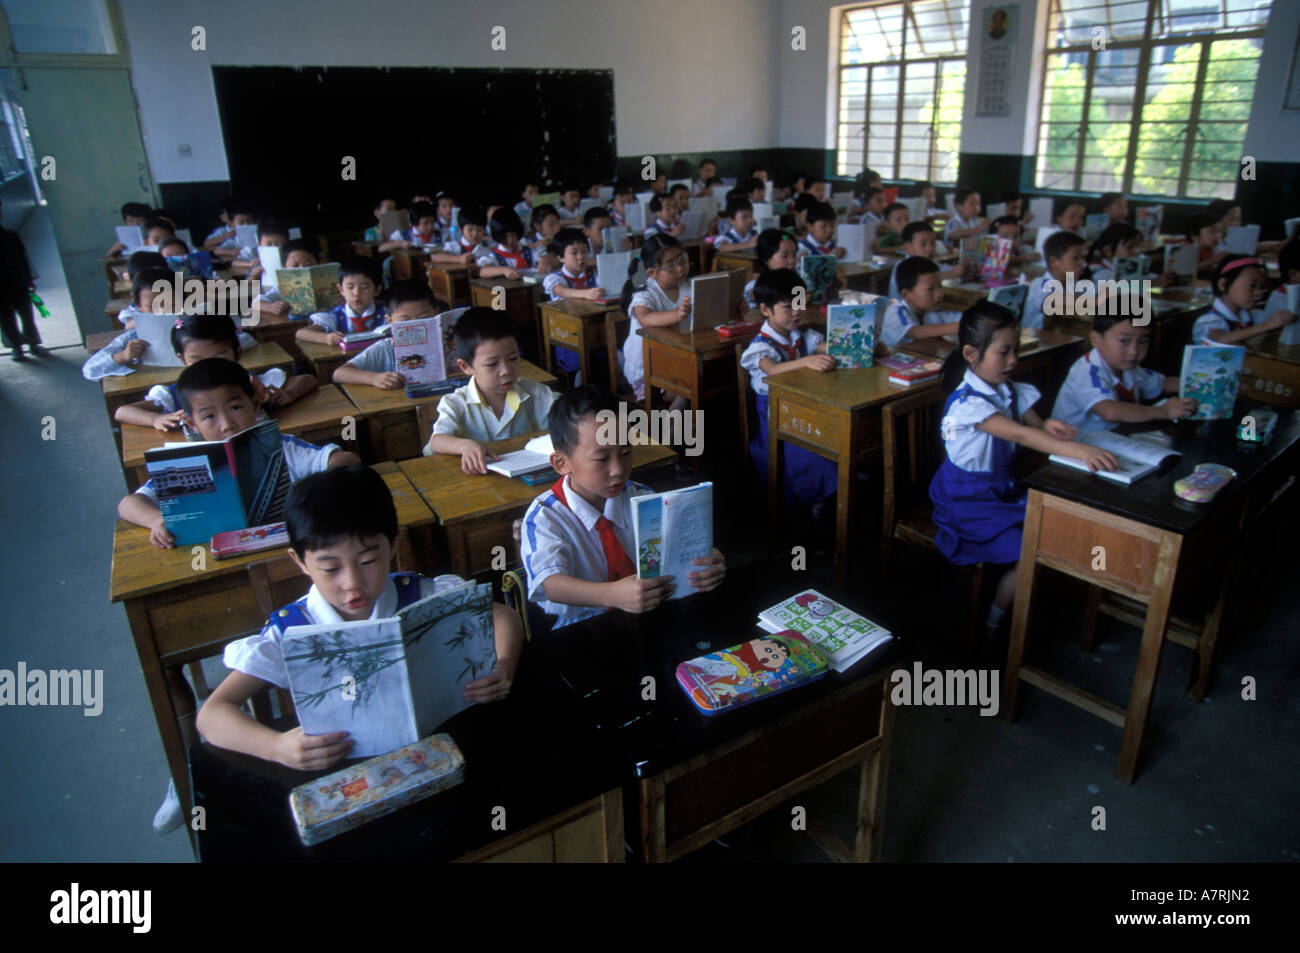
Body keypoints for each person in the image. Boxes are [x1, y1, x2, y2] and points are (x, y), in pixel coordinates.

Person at [195, 465, 523, 768]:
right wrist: (276, 747)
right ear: (300, 562)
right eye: (330, 568)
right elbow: (211, 716)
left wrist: (504, 665)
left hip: (442, 750)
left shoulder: (421, 596)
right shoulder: (293, 631)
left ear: (393, 545)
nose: (352, 582)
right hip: (345, 770)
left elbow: (503, 616)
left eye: (368, 561)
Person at [930, 302, 1116, 643]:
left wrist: (1050, 424)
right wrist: (1081, 450)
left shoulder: (1007, 388)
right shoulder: (969, 405)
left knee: (1059, 525)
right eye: (1004, 352)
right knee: (1028, 551)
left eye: (1016, 349)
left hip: (1003, 490)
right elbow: (1023, 436)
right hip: (968, 501)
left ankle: (1028, 600)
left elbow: (1034, 425)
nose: (1014, 360)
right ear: (971, 353)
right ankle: (994, 624)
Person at [519, 385, 726, 629]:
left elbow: (677, 548)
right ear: (561, 463)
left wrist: (705, 562)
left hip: (649, 617)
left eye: (625, 452)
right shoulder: (545, 516)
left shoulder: (643, 497)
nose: (618, 469)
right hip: (584, 628)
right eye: (602, 458)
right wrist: (613, 595)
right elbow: (549, 583)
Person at [423, 306, 558, 470]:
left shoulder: (537, 393)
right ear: (465, 366)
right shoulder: (455, 403)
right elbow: (437, 441)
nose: (506, 370)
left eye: (513, 358)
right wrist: (464, 446)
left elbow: (567, 416)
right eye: (492, 364)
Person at [1051, 312, 1195, 433]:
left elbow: (1163, 383)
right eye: (1124, 340)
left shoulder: (1129, 368)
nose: (1134, 352)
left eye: (1143, 342)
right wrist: (1165, 412)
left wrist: (1196, 384)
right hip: (1076, 450)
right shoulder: (1087, 372)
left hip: (1113, 440)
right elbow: (1109, 411)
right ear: (1096, 339)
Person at [0, 199, 44, 359]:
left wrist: (30, 280)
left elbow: (23, 259)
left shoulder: (11, 236)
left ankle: (33, 344)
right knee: (6, 320)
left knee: (27, 317)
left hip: (19, 284)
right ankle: (16, 347)